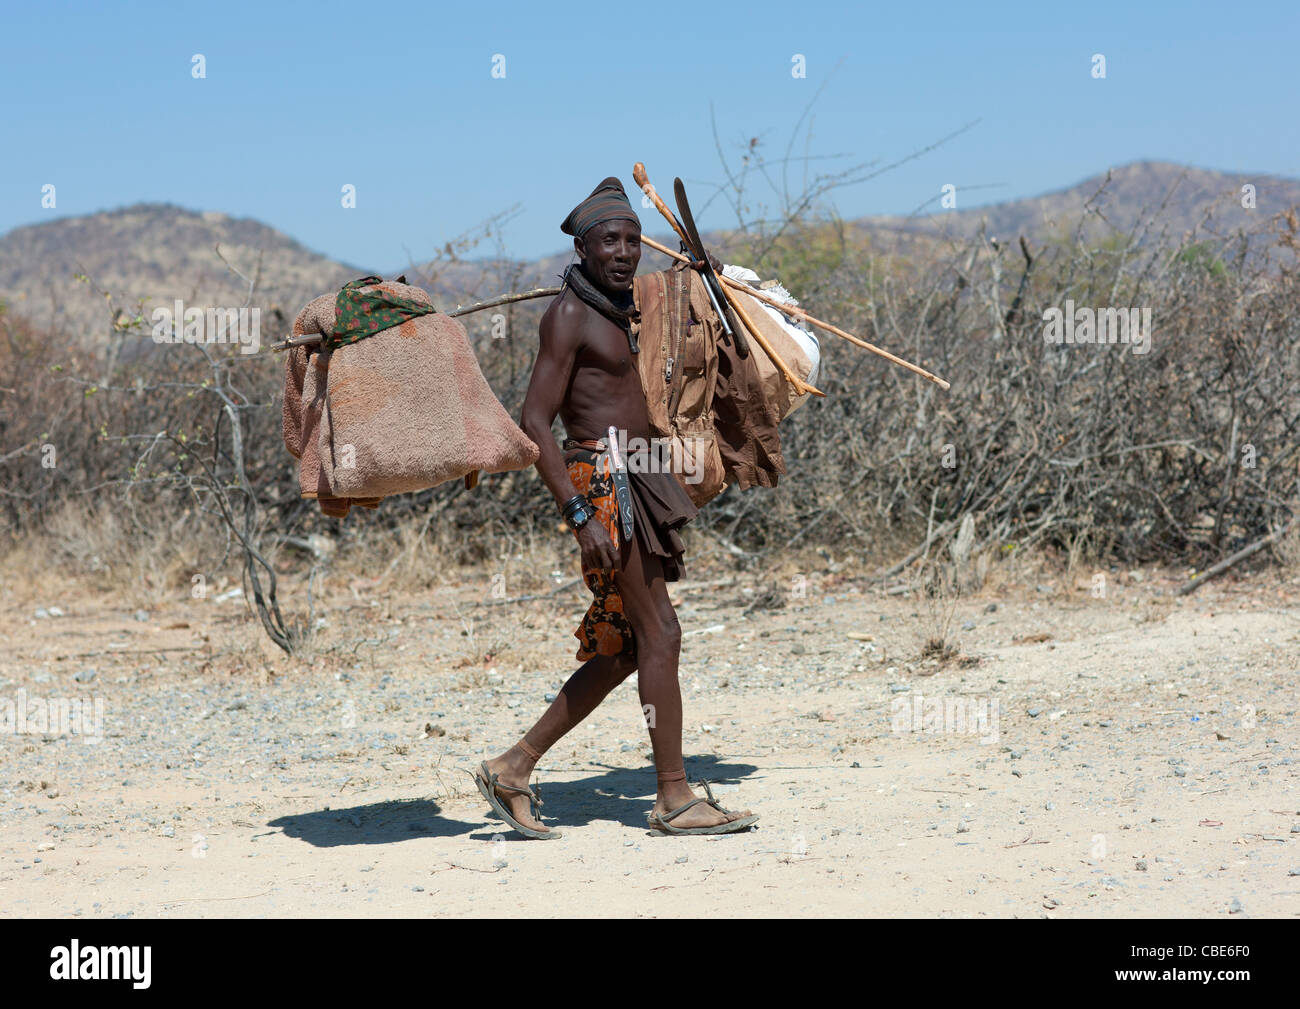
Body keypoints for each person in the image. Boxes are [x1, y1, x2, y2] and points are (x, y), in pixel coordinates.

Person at [473, 178, 757, 837]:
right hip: (605, 485)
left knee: (630, 644)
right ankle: (674, 797)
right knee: (661, 632)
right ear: (583, 246)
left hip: (638, 475)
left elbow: (678, 300)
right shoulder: (568, 316)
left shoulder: (622, 305)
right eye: (610, 241)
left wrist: (703, 276)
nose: (626, 251)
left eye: (632, 239)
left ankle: (513, 765)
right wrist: (578, 515)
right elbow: (534, 422)